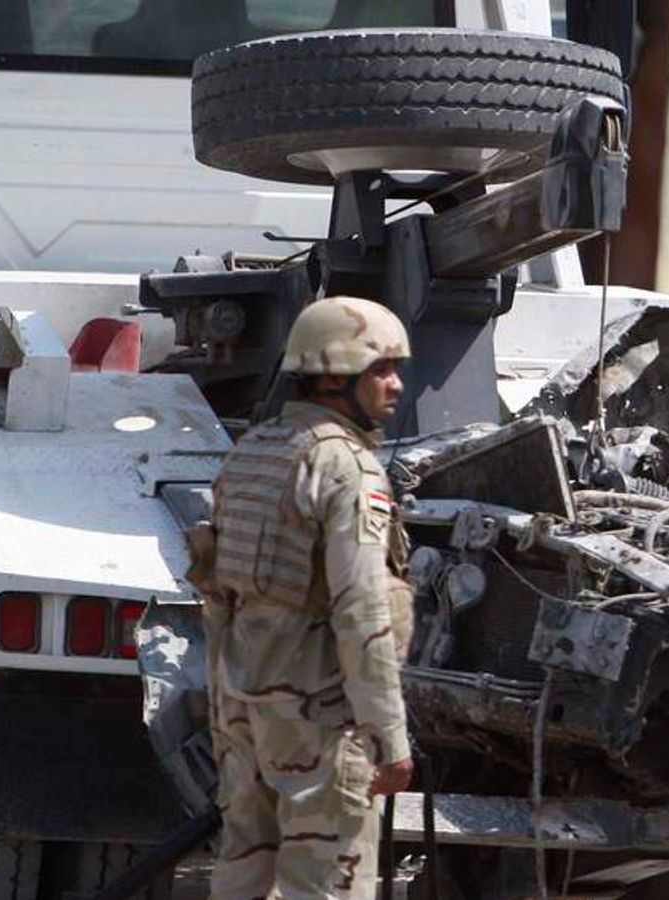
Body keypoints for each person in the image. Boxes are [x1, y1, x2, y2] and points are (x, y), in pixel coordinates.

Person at [188, 296, 417, 899]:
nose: (395, 386)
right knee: (327, 887)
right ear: (336, 376)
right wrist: (388, 736)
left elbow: (219, 596)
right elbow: (362, 608)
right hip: (318, 717)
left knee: (242, 874)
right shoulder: (346, 468)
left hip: (246, 708)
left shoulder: (254, 453)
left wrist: (224, 716)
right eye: (381, 370)